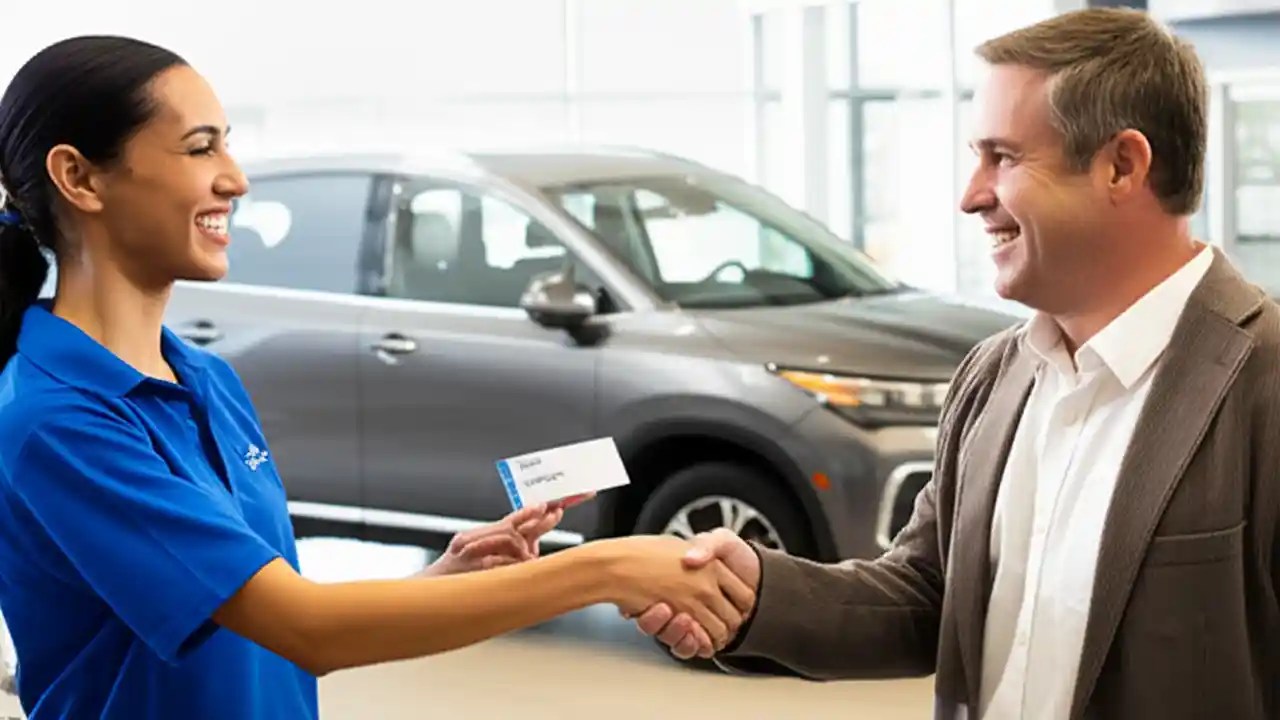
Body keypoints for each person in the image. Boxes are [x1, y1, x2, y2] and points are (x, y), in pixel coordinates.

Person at [0, 36, 754, 719]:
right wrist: (608, 567)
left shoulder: (206, 378)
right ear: (79, 178)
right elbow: (305, 629)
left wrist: (447, 580)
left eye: (227, 146)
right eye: (200, 149)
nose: (235, 179)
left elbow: (258, 619)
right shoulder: (56, 420)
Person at [633, 8, 1280, 720]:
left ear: (1122, 165)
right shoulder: (994, 375)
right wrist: (756, 593)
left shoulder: (1265, 383)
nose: (972, 195)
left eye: (1003, 157)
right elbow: (929, 594)